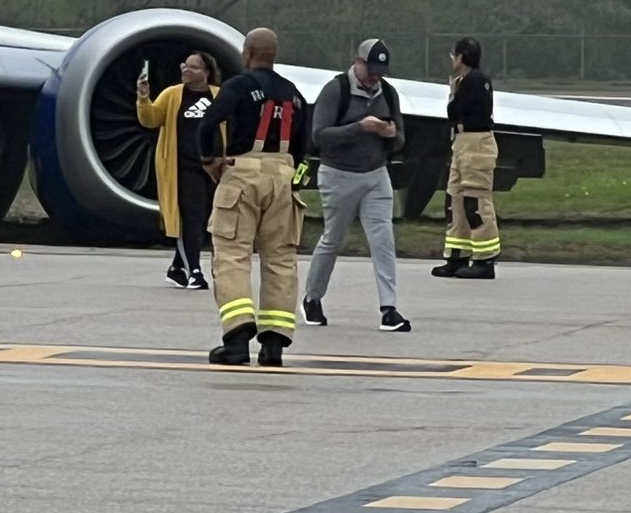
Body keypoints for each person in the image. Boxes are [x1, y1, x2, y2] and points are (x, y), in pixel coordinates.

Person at [193, 27, 308, 367]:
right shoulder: (293, 93)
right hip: (283, 176)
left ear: (247, 53)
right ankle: (273, 346)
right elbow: (305, 147)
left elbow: (207, 125)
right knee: (281, 260)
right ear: (274, 54)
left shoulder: (239, 87)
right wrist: (294, 180)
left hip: (243, 173)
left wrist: (210, 162)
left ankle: (237, 339)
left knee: (232, 255)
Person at [301, 39, 412, 333]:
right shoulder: (335, 90)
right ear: (357, 62)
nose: (375, 77)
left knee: (383, 240)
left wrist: (390, 133)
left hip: (376, 176)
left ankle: (389, 309)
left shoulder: (388, 93)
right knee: (333, 239)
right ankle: (312, 298)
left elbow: (400, 139)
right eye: (371, 70)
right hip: (338, 175)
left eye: (380, 72)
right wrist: (359, 127)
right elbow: (319, 135)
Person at [136, 51, 220, 291]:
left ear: (206, 72)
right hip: (183, 168)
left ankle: (177, 269)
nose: (186, 70)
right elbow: (151, 120)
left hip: (213, 168)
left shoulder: (218, 96)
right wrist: (144, 98)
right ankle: (195, 271)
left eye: (193, 67)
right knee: (190, 218)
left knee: (203, 218)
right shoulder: (172, 95)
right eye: (185, 65)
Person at [434, 37, 499, 279]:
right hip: (462, 143)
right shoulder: (466, 81)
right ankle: (457, 256)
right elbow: (454, 115)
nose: (452, 59)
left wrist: (454, 94)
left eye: (454, 55)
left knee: (476, 201)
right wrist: (455, 93)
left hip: (476, 144)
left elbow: (458, 111)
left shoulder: (476, 81)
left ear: (461, 57)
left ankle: (484, 260)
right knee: (456, 201)